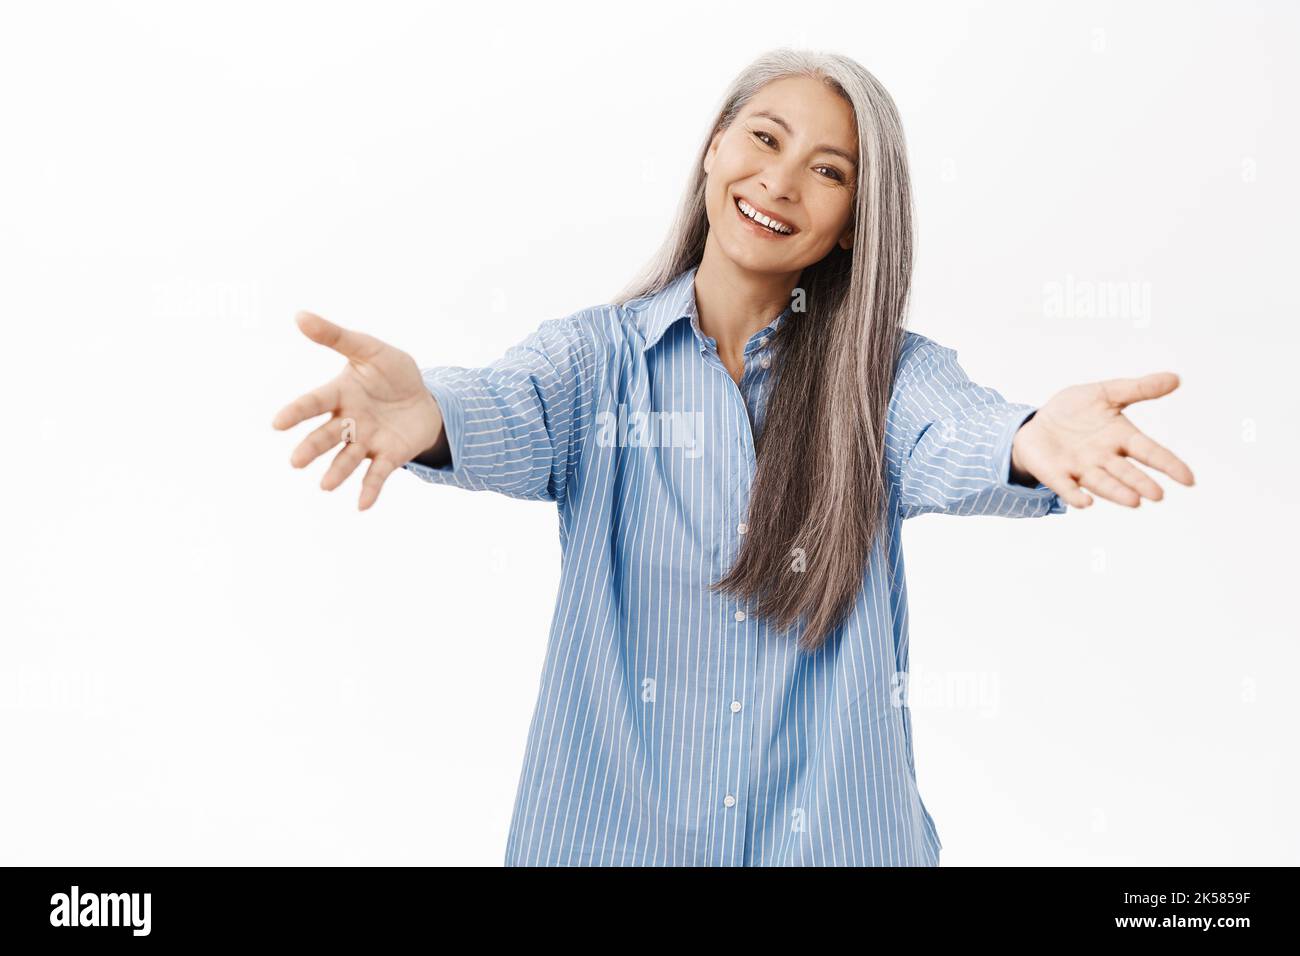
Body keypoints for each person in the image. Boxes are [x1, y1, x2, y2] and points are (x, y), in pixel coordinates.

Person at [271, 49, 1194, 866]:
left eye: (827, 170)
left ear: (853, 220)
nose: (781, 181)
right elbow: (507, 408)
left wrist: (1029, 440)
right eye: (764, 138)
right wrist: (430, 411)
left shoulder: (884, 380)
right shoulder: (597, 364)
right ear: (713, 148)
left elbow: (953, 430)